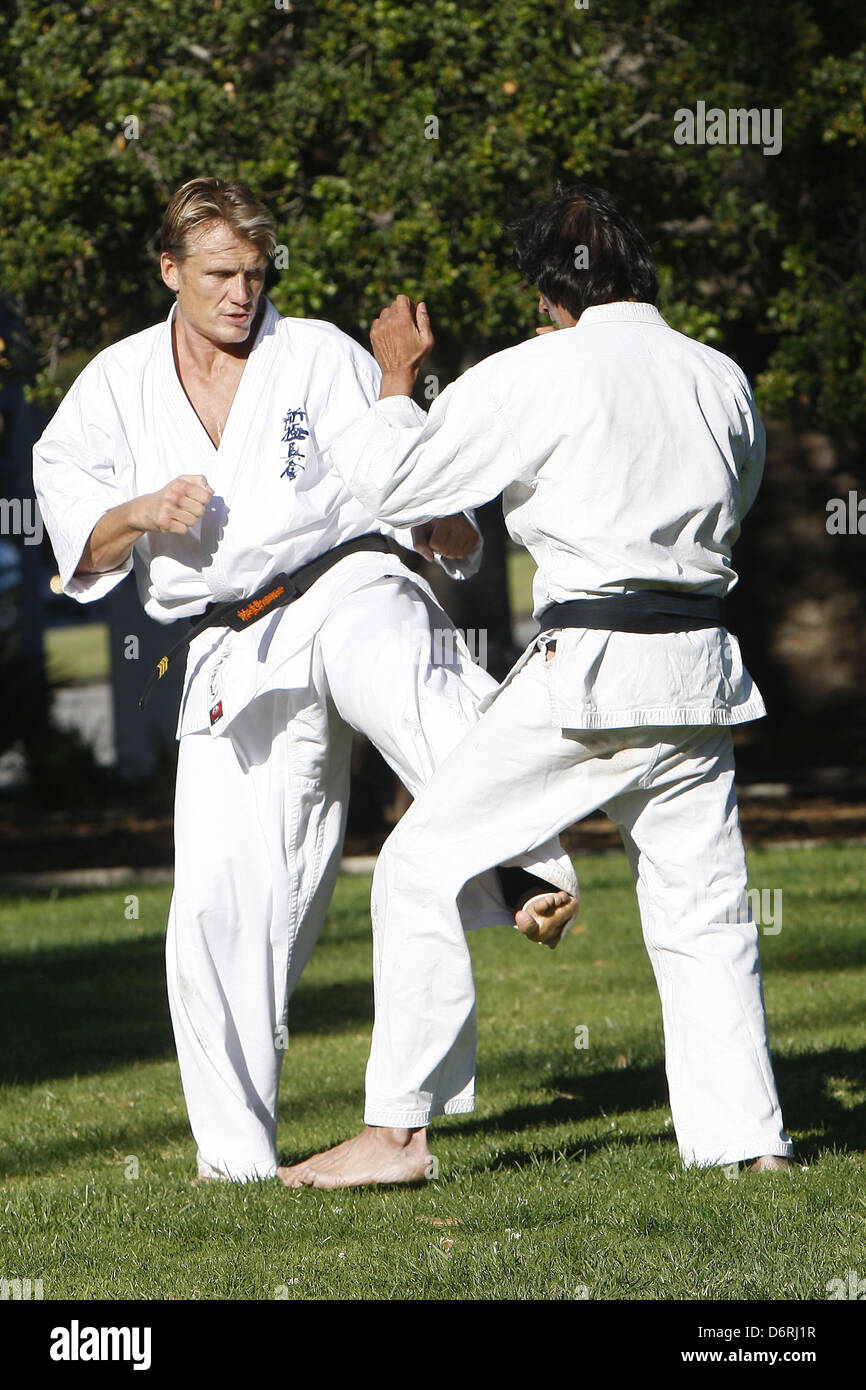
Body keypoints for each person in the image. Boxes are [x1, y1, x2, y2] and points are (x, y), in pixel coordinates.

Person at [32, 177, 578, 1184]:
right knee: (219, 907)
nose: (242, 293)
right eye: (219, 275)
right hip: (227, 646)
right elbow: (79, 537)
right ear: (169, 271)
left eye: (253, 274)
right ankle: (236, 1163)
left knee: (397, 659)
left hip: (340, 582)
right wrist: (144, 509)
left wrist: (421, 453)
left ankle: (522, 857)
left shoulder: (320, 353)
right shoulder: (113, 384)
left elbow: (417, 503)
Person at [281, 181, 794, 1188]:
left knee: (418, 863)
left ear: (550, 293)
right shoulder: (718, 376)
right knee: (702, 907)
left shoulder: (536, 371)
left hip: (591, 669)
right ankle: (750, 1143)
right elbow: (735, 495)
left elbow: (394, 486)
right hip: (694, 668)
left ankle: (395, 1137)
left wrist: (394, 380)